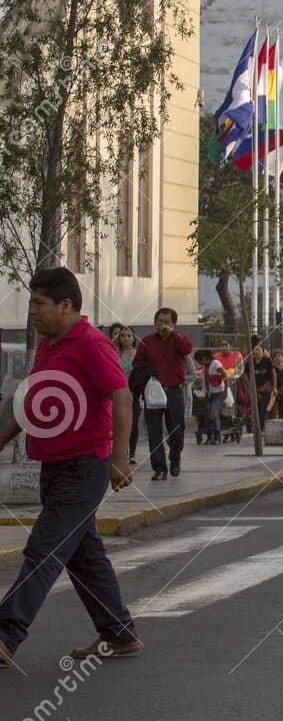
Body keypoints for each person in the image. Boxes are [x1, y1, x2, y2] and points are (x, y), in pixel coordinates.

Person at [0, 268, 141, 670]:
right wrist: (4, 438)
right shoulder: (49, 344)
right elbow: (31, 402)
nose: (32, 312)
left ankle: (6, 633)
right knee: (83, 555)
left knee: (43, 550)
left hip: (84, 467)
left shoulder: (91, 343)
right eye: (30, 303)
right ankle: (118, 632)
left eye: (39, 304)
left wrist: (119, 458)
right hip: (54, 465)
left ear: (66, 305)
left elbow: (121, 396)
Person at [133, 307, 192, 480]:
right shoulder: (147, 341)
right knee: (154, 430)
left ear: (173, 324)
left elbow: (187, 349)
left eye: (167, 322)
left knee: (177, 428)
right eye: (160, 321)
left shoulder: (179, 339)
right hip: (154, 392)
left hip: (174, 390)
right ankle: (159, 467)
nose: (163, 325)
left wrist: (173, 334)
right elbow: (138, 363)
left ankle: (175, 458)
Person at [111, 324, 139, 461]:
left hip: (135, 393)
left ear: (134, 338)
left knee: (133, 423)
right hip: (118, 392)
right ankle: (122, 451)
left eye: (129, 336)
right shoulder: (115, 354)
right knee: (118, 422)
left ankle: (132, 452)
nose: (126, 339)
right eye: (122, 336)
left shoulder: (139, 354)